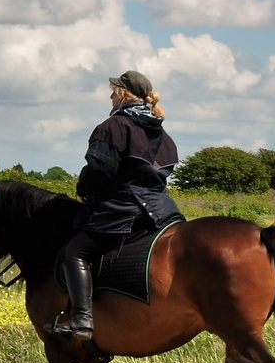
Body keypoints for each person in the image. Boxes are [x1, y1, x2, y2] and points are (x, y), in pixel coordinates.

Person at [51, 71, 185, 341]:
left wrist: (82, 189)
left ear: (123, 95)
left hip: (122, 208)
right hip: (161, 211)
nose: (111, 97)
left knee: (75, 252)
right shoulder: (162, 133)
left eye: (113, 92)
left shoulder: (113, 127)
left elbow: (99, 170)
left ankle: (82, 319)